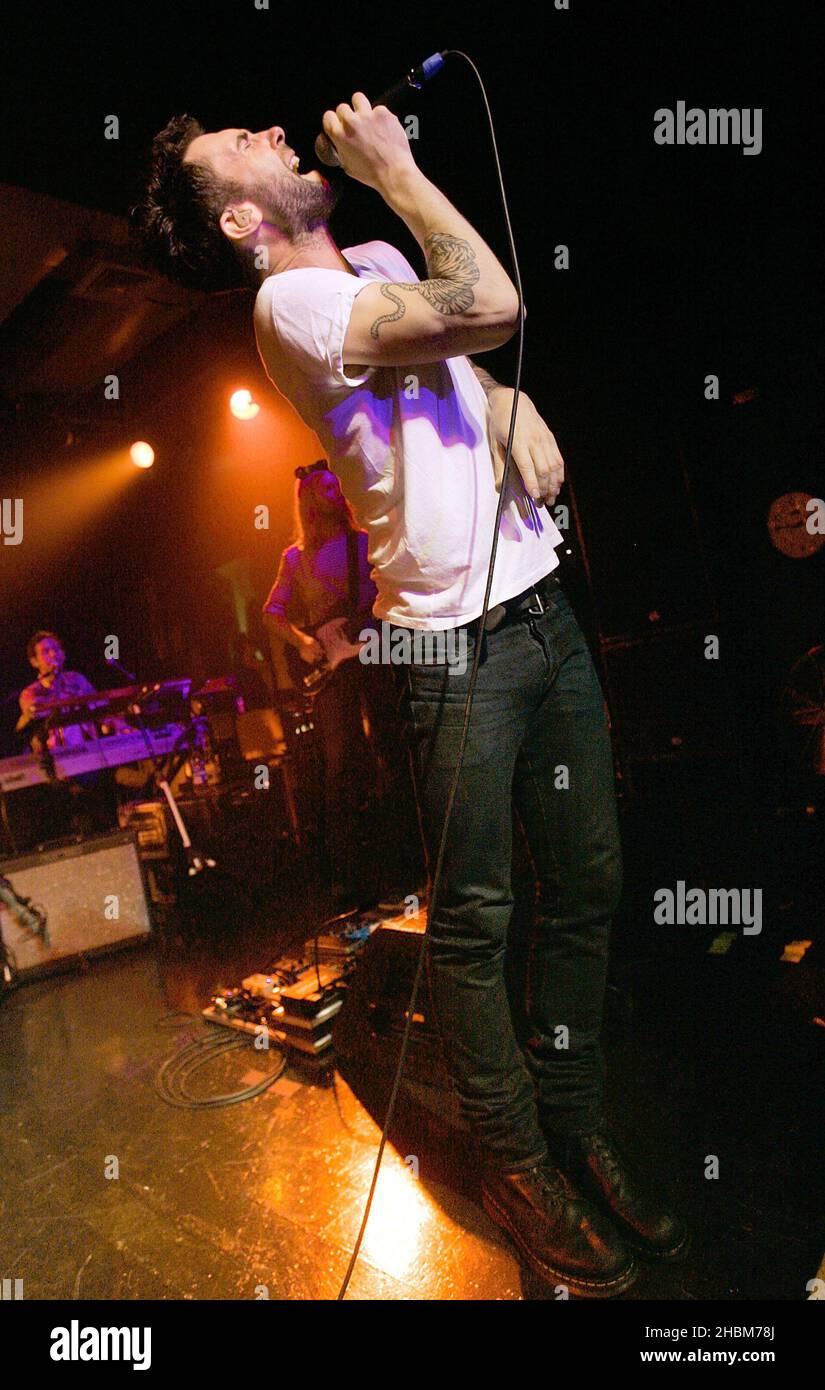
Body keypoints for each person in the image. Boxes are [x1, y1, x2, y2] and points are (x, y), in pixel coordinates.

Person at [131, 98, 688, 1297]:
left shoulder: (374, 263)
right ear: (238, 216)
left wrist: (507, 401)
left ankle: (578, 1118)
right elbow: (491, 301)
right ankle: (517, 1163)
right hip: (447, 651)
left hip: (541, 608)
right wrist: (399, 167)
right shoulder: (292, 303)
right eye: (244, 146)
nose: (273, 132)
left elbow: (464, 352)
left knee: (588, 881)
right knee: (477, 919)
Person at [263, 460, 424, 908]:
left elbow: (391, 595)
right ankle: (352, 877)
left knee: (391, 754)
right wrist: (302, 642)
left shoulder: (364, 541)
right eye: (322, 486)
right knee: (341, 767)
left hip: (373, 654)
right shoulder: (295, 558)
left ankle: (406, 868)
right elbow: (270, 612)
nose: (333, 490)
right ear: (308, 499)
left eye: (336, 482)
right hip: (332, 669)